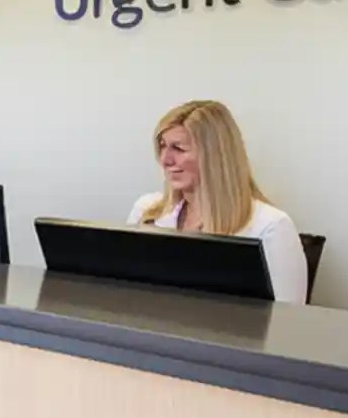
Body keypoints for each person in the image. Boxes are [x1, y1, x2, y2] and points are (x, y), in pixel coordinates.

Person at [126, 100, 309, 304]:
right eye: (162, 147)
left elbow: (286, 324)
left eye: (178, 148)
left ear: (214, 156)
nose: (165, 159)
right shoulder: (146, 212)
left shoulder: (271, 227)